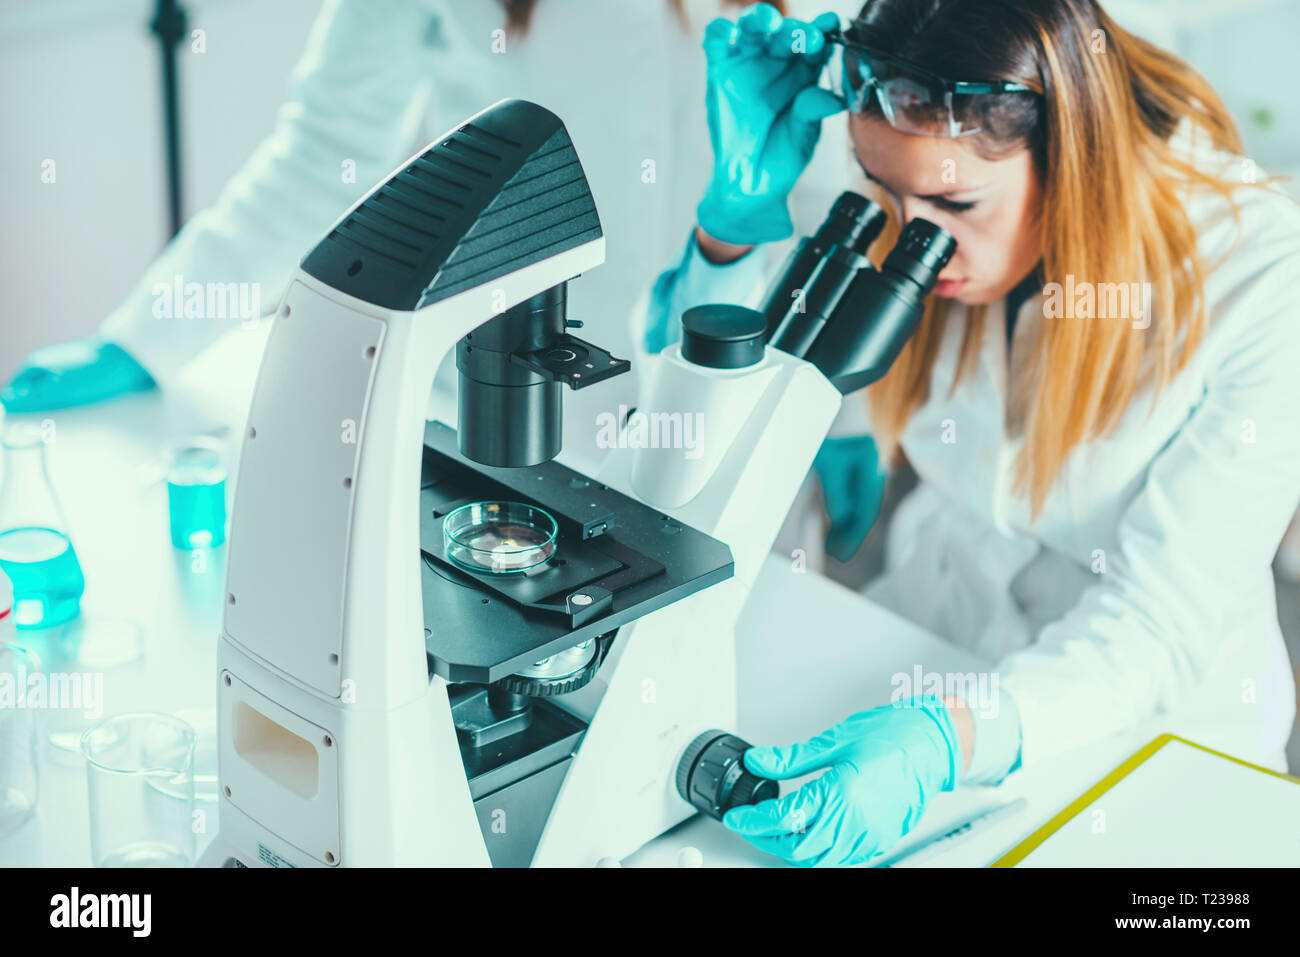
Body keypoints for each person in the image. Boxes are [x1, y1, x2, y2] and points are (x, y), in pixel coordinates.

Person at [643, 0, 1300, 866]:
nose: (921, 240)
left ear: (1072, 155)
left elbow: (1155, 618)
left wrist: (946, 737)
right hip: (931, 638)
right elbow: (668, 447)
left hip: (1148, 725)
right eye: (888, 194)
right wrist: (727, 234)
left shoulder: (1262, 278)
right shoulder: (921, 169)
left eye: (954, 201)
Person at [2, 0, 867, 477]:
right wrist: (147, 333)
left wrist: (839, 412)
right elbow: (325, 157)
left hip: (734, 375)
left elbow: (827, 173)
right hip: (499, 392)